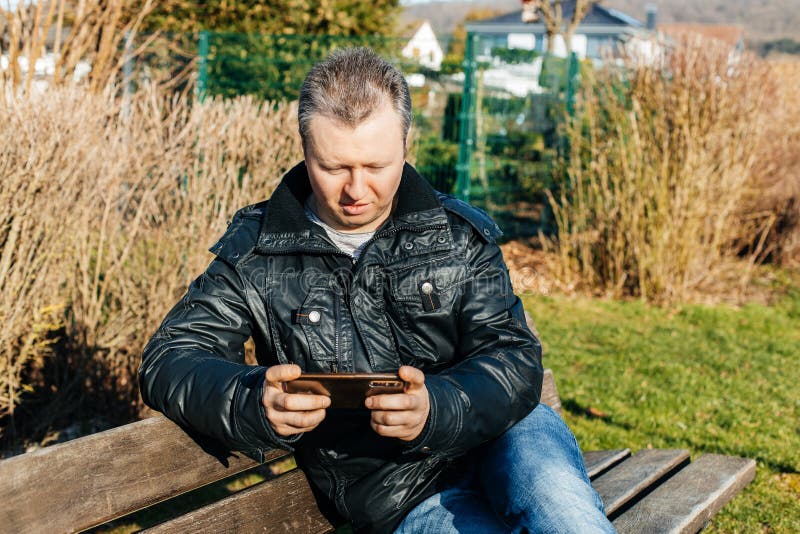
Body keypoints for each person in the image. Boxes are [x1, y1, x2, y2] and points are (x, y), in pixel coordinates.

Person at [139, 47, 614, 533]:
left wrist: (435, 408)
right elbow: (168, 358)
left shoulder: (457, 234)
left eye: (376, 166)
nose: (356, 190)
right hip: (403, 494)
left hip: (509, 436)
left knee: (563, 511)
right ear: (305, 151)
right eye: (334, 167)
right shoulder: (255, 252)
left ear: (406, 145)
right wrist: (250, 400)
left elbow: (513, 355)